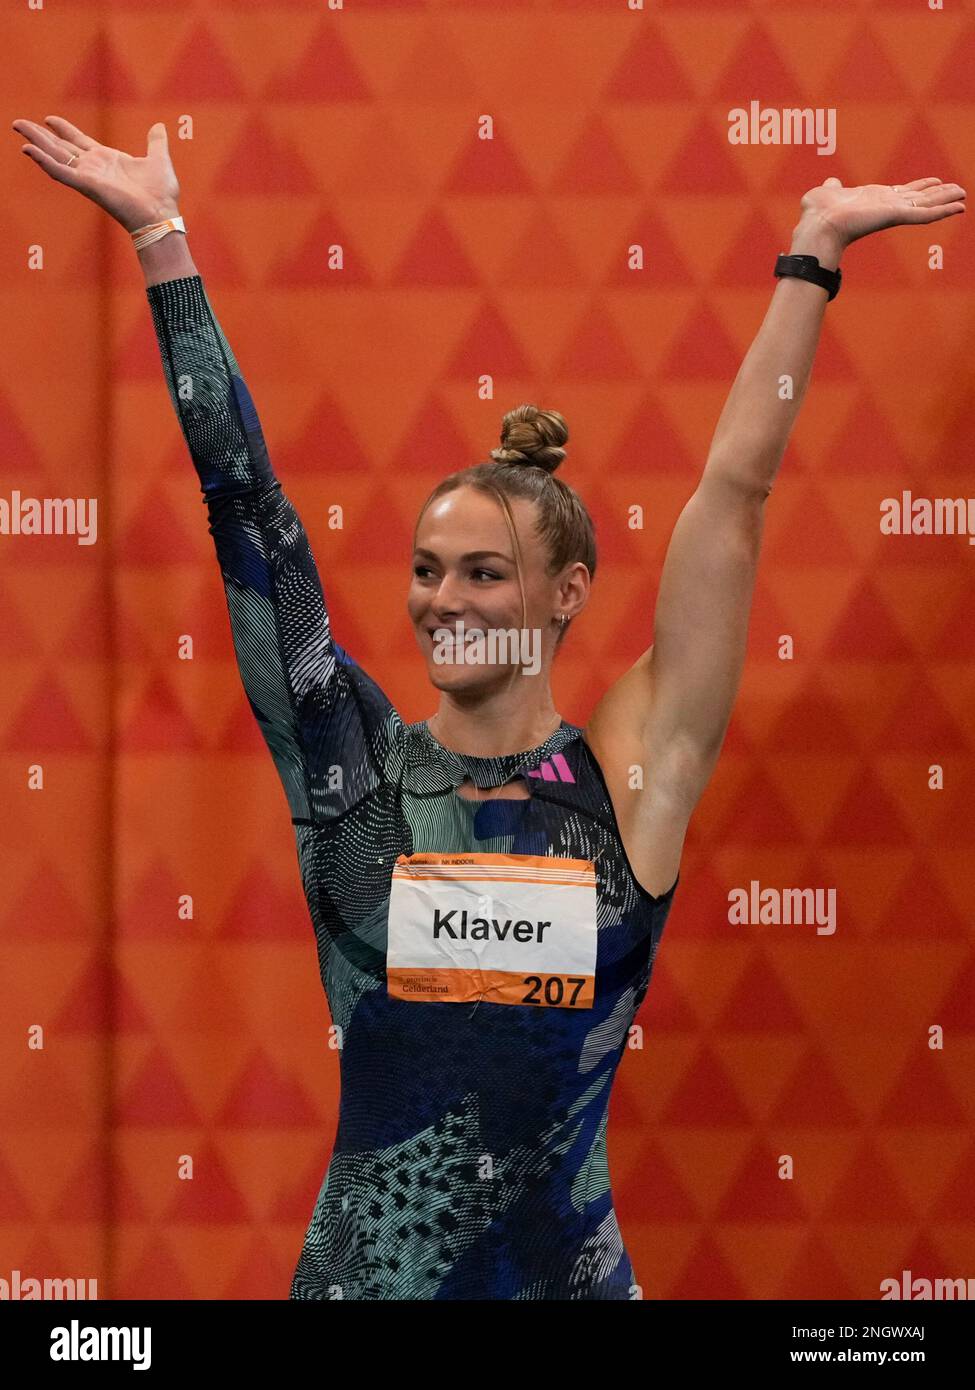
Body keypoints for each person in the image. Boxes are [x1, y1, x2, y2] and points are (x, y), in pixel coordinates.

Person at [13, 114, 965, 1301]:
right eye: (424, 569)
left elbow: (737, 490)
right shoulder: (351, 762)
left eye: (481, 572)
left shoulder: (632, 772)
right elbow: (247, 506)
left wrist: (811, 257)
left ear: (566, 594)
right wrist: (163, 242)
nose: (441, 601)